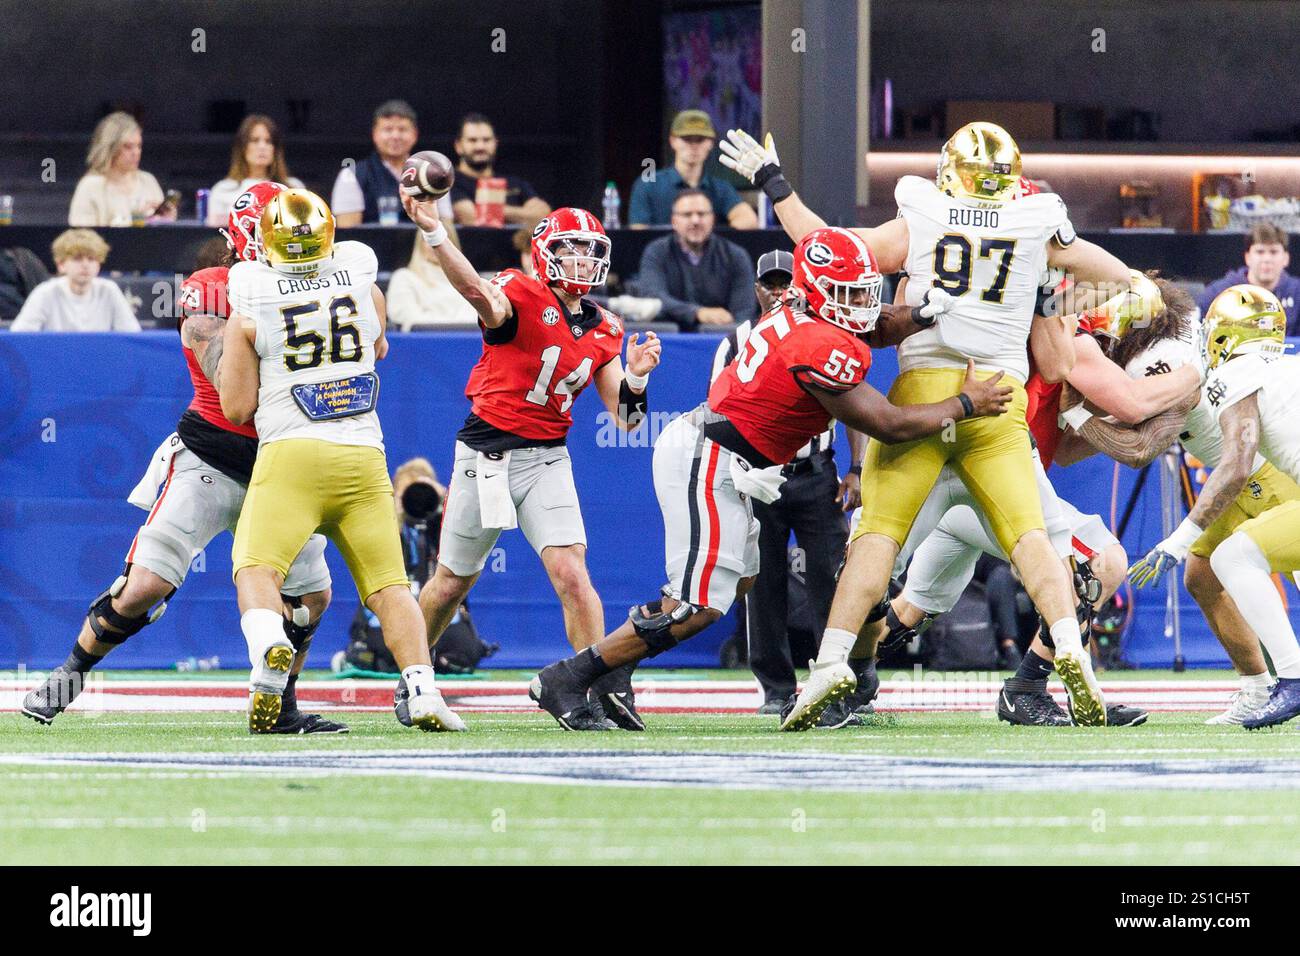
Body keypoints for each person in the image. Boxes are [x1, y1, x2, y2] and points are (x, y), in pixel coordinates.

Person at [722, 122, 1134, 730]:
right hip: (997, 396)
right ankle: (1072, 652)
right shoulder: (1036, 223)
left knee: (876, 539)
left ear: (949, 171)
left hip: (925, 390)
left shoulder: (925, 213)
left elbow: (825, 247)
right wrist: (1043, 292)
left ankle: (834, 662)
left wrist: (774, 182)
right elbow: (1114, 281)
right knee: (1030, 538)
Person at [528, 227, 1011, 731]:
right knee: (696, 606)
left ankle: (611, 668)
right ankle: (569, 676)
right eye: (850, 294)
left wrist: (921, 314)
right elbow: (886, 423)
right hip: (709, 456)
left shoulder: (799, 310)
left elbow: (872, 326)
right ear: (820, 292)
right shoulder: (815, 341)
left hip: (735, 461)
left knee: (740, 582)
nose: (864, 304)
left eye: (866, 291)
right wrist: (966, 404)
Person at [22, 182, 341, 733]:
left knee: (312, 596)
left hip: (282, 463)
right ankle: (69, 675)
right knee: (144, 586)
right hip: (210, 458)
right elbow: (233, 391)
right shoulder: (211, 290)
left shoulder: (320, 285)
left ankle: (280, 704)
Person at [877, 271, 1195, 729]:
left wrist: (1084, 412)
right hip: (994, 484)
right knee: (1102, 561)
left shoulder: (1049, 331)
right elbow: (1133, 404)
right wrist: (1193, 373)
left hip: (973, 485)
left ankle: (846, 676)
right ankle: (1027, 686)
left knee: (909, 607)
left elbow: (1063, 450)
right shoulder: (1075, 337)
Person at [400, 195, 659, 729]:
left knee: (572, 573)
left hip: (547, 458)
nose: (585, 261)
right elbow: (476, 292)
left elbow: (628, 418)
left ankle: (590, 685)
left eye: (593, 251)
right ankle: (413, 677)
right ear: (544, 252)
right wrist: (435, 233)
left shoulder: (607, 326)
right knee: (451, 582)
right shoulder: (520, 292)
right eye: (573, 249)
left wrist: (635, 377)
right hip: (486, 454)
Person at [218, 187, 464, 733]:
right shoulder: (357, 274)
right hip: (362, 455)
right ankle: (423, 690)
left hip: (292, 453)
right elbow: (378, 346)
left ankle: (267, 655)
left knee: (256, 567)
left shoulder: (251, 293)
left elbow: (236, 406)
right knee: (389, 586)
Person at [1069, 285, 1300, 724]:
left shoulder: (1163, 360)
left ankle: (1290, 678)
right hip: (1234, 476)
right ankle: (1258, 687)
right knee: (1204, 576)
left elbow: (1140, 448)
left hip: (1261, 474)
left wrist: (1078, 415)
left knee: (1258, 565)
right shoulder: (1185, 337)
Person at [710, 249, 867, 714]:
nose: (779, 292)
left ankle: (839, 680)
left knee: (832, 577)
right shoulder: (737, 340)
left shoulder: (827, 333)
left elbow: (854, 408)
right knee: (764, 582)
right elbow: (721, 411)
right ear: (757, 289)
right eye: (771, 284)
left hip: (816, 469)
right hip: (761, 472)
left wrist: (856, 468)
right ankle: (777, 689)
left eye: (787, 283)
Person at [631, 189, 756, 330]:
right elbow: (652, 298)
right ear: (674, 221)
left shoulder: (736, 255)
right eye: (687, 215)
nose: (695, 220)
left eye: (702, 214)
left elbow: (744, 312)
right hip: (669, 341)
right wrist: (697, 313)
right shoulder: (656, 252)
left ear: (713, 219)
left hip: (722, 339)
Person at [330, 99, 453, 228]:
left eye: (402, 129)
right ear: (375, 134)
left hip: (423, 247)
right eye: (388, 130)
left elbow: (446, 227)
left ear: (415, 134)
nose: (395, 136)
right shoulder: (351, 174)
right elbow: (349, 234)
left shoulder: (434, 173)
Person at [628, 109, 757, 229]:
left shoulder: (720, 188)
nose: (694, 145)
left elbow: (749, 221)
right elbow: (638, 230)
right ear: (673, 141)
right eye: (687, 139)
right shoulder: (648, 185)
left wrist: (708, 240)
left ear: (711, 143)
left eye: (700, 139)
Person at [11, 229, 139, 332]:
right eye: (77, 259)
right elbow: (20, 337)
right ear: (61, 264)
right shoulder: (45, 292)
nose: (85, 265)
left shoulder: (109, 290)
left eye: (91, 259)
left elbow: (132, 336)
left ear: (99, 264)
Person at [68, 112, 173, 227]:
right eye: (128, 147)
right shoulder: (90, 186)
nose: (136, 152)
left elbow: (160, 231)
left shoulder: (148, 181)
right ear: (110, 148)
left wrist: (167, 220)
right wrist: (137, 220)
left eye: (139, 146)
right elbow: (82, 237)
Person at [448, 113, 551, 226]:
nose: (480, 146)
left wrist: (487, 211)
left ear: (495, 143)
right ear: (458, 146)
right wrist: (523, 214)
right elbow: (470, 216)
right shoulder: (448, 182)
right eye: (472, 140)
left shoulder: (515, 183)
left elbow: (544, 216)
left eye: (486, 140)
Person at [1197, 225, 1300, 334]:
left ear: (1286, 258)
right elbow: (1197, 330)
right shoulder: (1221, 292)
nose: (1267, 259)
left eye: (1273, 252)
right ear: (1247, 257)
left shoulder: (1297, 292)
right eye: (1260, 252)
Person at [204, 114, 304, 226]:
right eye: (255, 140)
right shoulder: (222, 189)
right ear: (242, 147)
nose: (262, 146)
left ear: (275, 149)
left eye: (268, 141)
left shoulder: (293, 188)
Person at [386, 231, 479, 329]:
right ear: (420, 244)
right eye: (430, 240)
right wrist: (450, 325)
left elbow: (476, 319)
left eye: (444, 240)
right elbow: (407, 318)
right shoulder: (403, 278)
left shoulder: (470, 283)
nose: (436, 245)